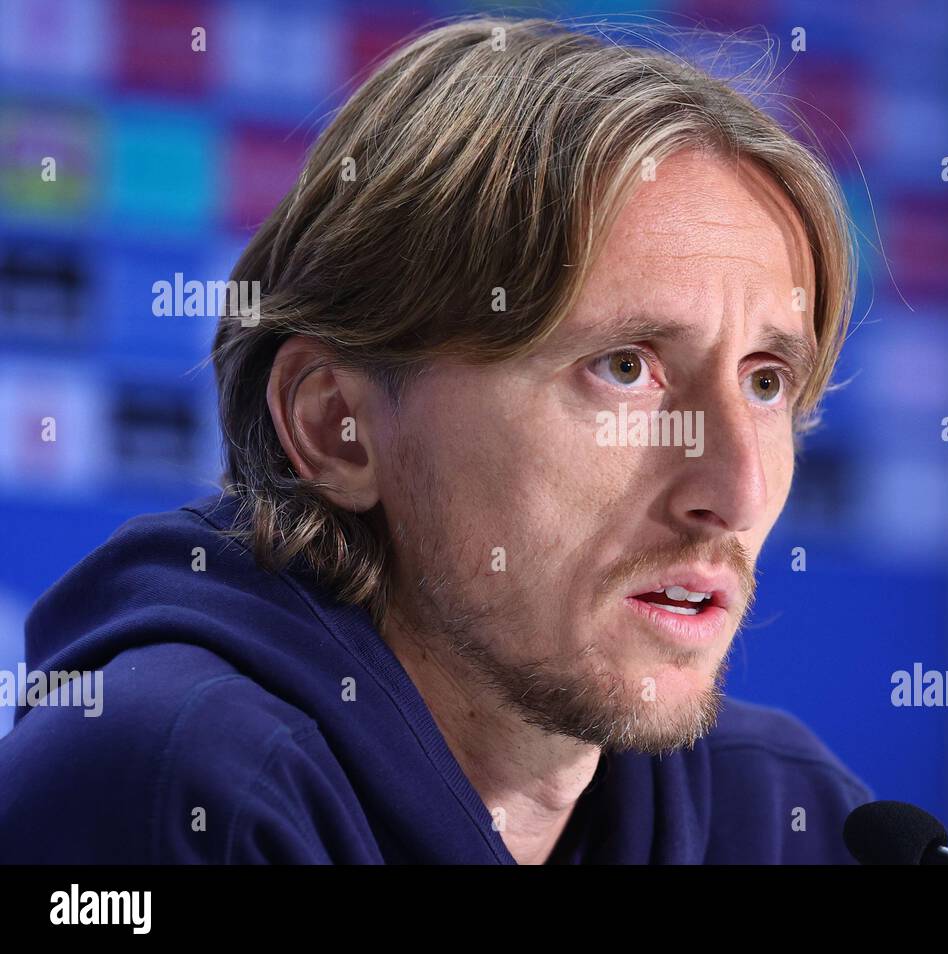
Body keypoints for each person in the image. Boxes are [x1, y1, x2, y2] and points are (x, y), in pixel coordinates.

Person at [0, 16, 871, 864]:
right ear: (336, 427)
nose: (736, 489)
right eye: (624, 368)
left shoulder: (786, 815)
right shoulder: (173, 789)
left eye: (766, 382)